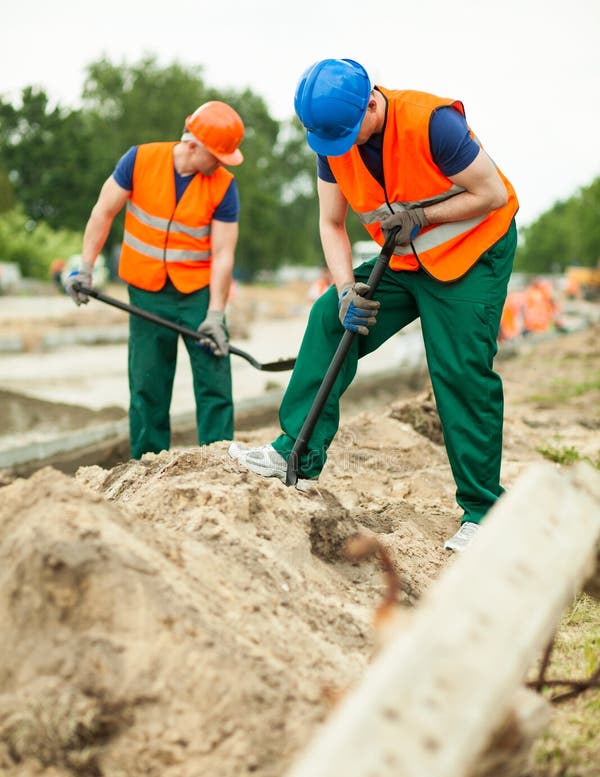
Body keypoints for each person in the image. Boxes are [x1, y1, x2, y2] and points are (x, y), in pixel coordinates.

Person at [230, 58, 519, 553]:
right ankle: (294, 453)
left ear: (370, 102)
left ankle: (483, 511)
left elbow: (491, 193)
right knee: (328, 321)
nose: (338, 147)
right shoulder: (333, 139)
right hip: (404, 260)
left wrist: (422, 216)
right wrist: (347, 291)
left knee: (460, 369)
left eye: (345, 134)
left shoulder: (433, 124)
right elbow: (330, 223)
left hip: (471, 256)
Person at [65, 100, 244, 459]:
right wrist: (85, 267)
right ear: (194, 146)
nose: (223, 163)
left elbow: (224, 255)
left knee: (214, 379)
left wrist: (215, 315)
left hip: (197, 295)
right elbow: (103, 212)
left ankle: (220, 457)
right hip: (146, 291)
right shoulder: (139, 160)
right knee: (148, 382)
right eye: (219, 155)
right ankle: (147, 461)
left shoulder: (223, 186)